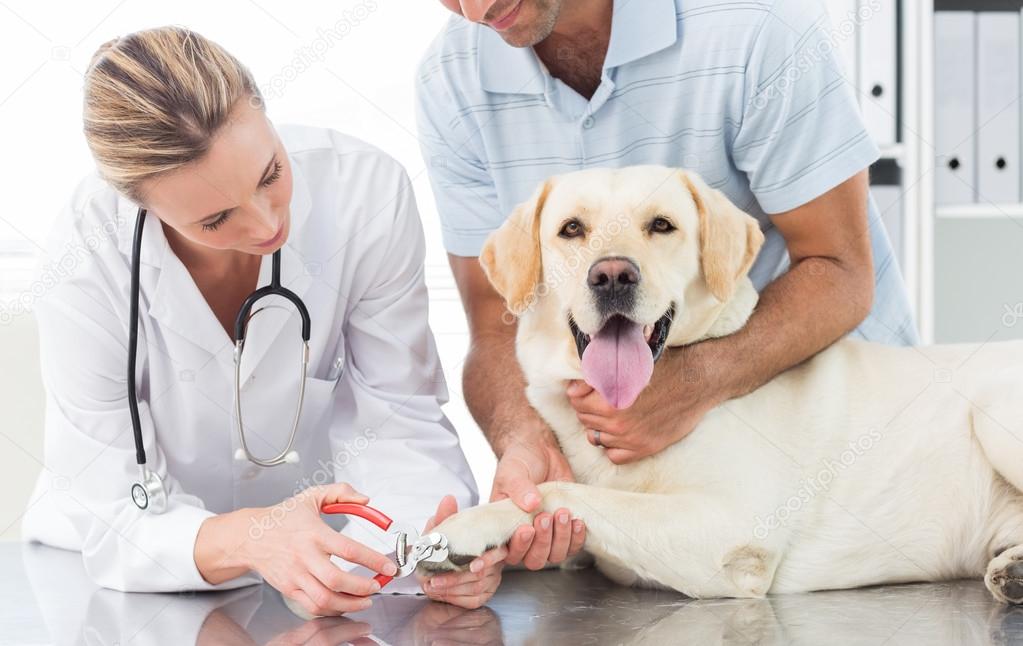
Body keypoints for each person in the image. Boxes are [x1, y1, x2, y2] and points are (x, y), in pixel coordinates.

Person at [21, 26, 504, 615]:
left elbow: (398, 422)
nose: (267, 224)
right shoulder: (84, 255)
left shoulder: (365, 193)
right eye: (216, 219)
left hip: (313, 570)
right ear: (140, 203)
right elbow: (112, 512)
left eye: (270, 174)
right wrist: (252, 538)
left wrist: (425, 553)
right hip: (112, 586)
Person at [415, 0, 919, 564]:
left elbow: (840, 270)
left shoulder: (757, 28)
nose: (476, 8)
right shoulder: (451, 77)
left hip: (853, 452)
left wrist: (696, 381)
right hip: (630, 484)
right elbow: (496, 324)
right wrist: (525, 439)